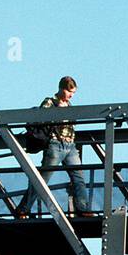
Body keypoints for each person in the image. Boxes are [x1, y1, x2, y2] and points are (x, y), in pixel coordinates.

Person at [16, 76, 91, 218]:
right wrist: (58, 115)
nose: (71, 95)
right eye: (70, 92)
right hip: (55, 145)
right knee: (43, 180)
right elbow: (42, 118)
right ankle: (23, 209)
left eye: (73, 93)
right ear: (62, 89)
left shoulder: (69, 106)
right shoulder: (50, 102)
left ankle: (83, 208)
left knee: (79, 178)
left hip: (70, 145)